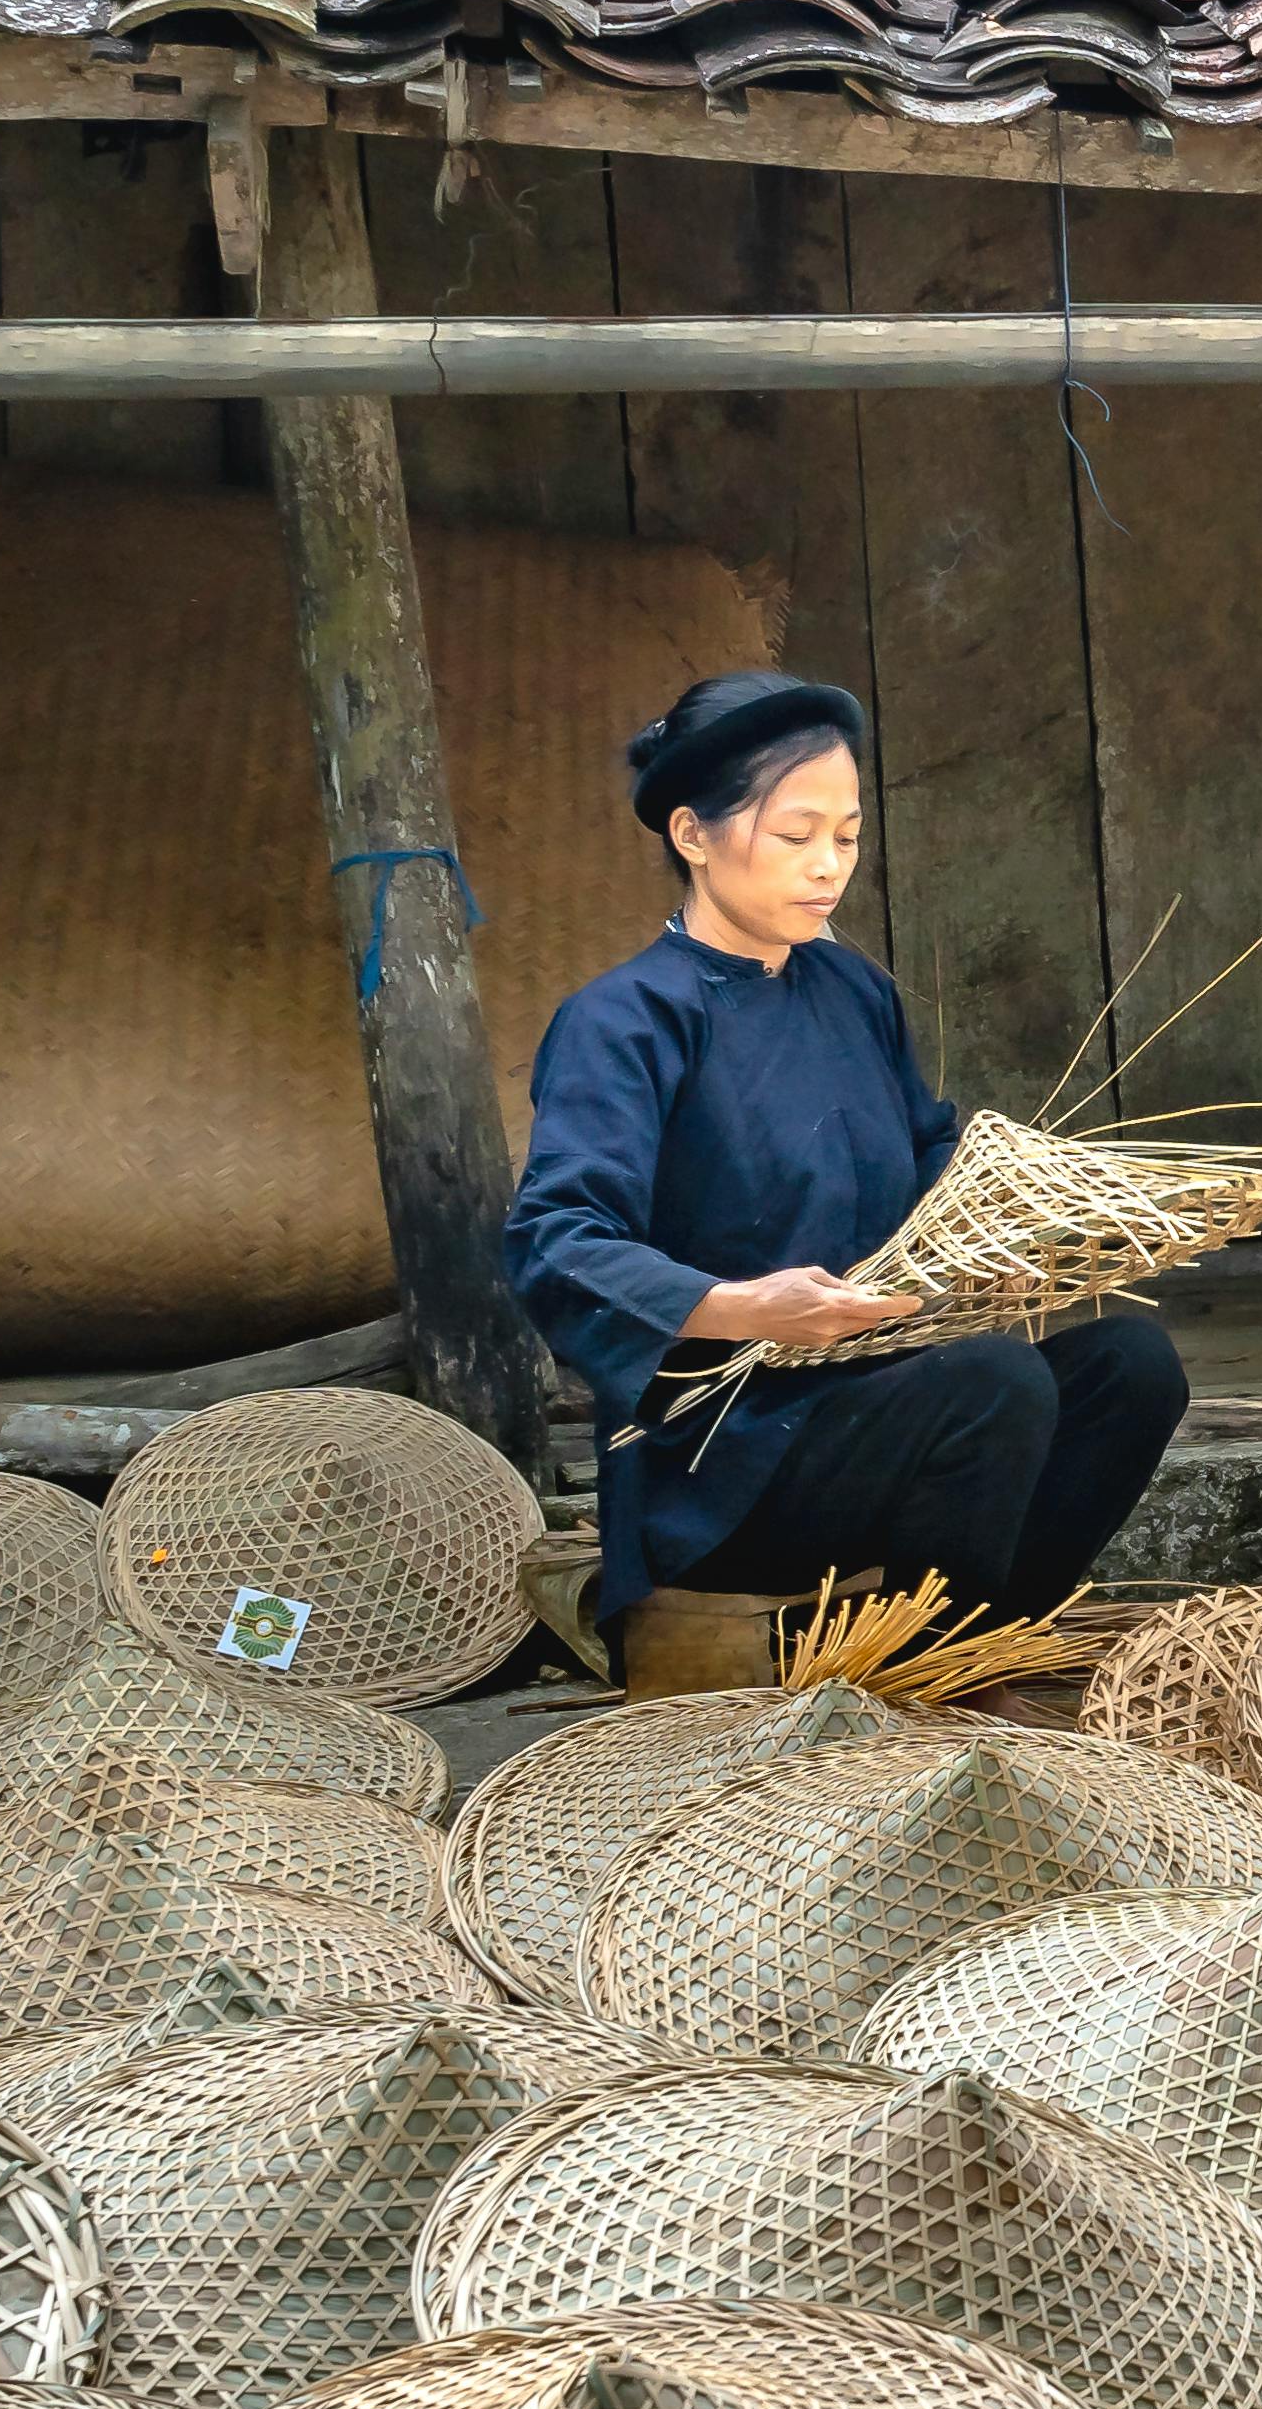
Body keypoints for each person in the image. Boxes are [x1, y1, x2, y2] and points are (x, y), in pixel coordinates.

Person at [507, 668, 1187, 1691]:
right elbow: (556, 1243)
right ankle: (926, 1681)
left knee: (1131, 1365)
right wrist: (743, 1308)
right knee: (991, 1383)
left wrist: (1016, 1237)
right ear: (693, 835)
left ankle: (961, 1648)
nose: (829, 867)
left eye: (848, 835)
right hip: (726, 1457)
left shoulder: (852, 989)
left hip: (886, 1396)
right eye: (795, 836)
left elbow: (928, 1153)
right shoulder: (623, 1022)